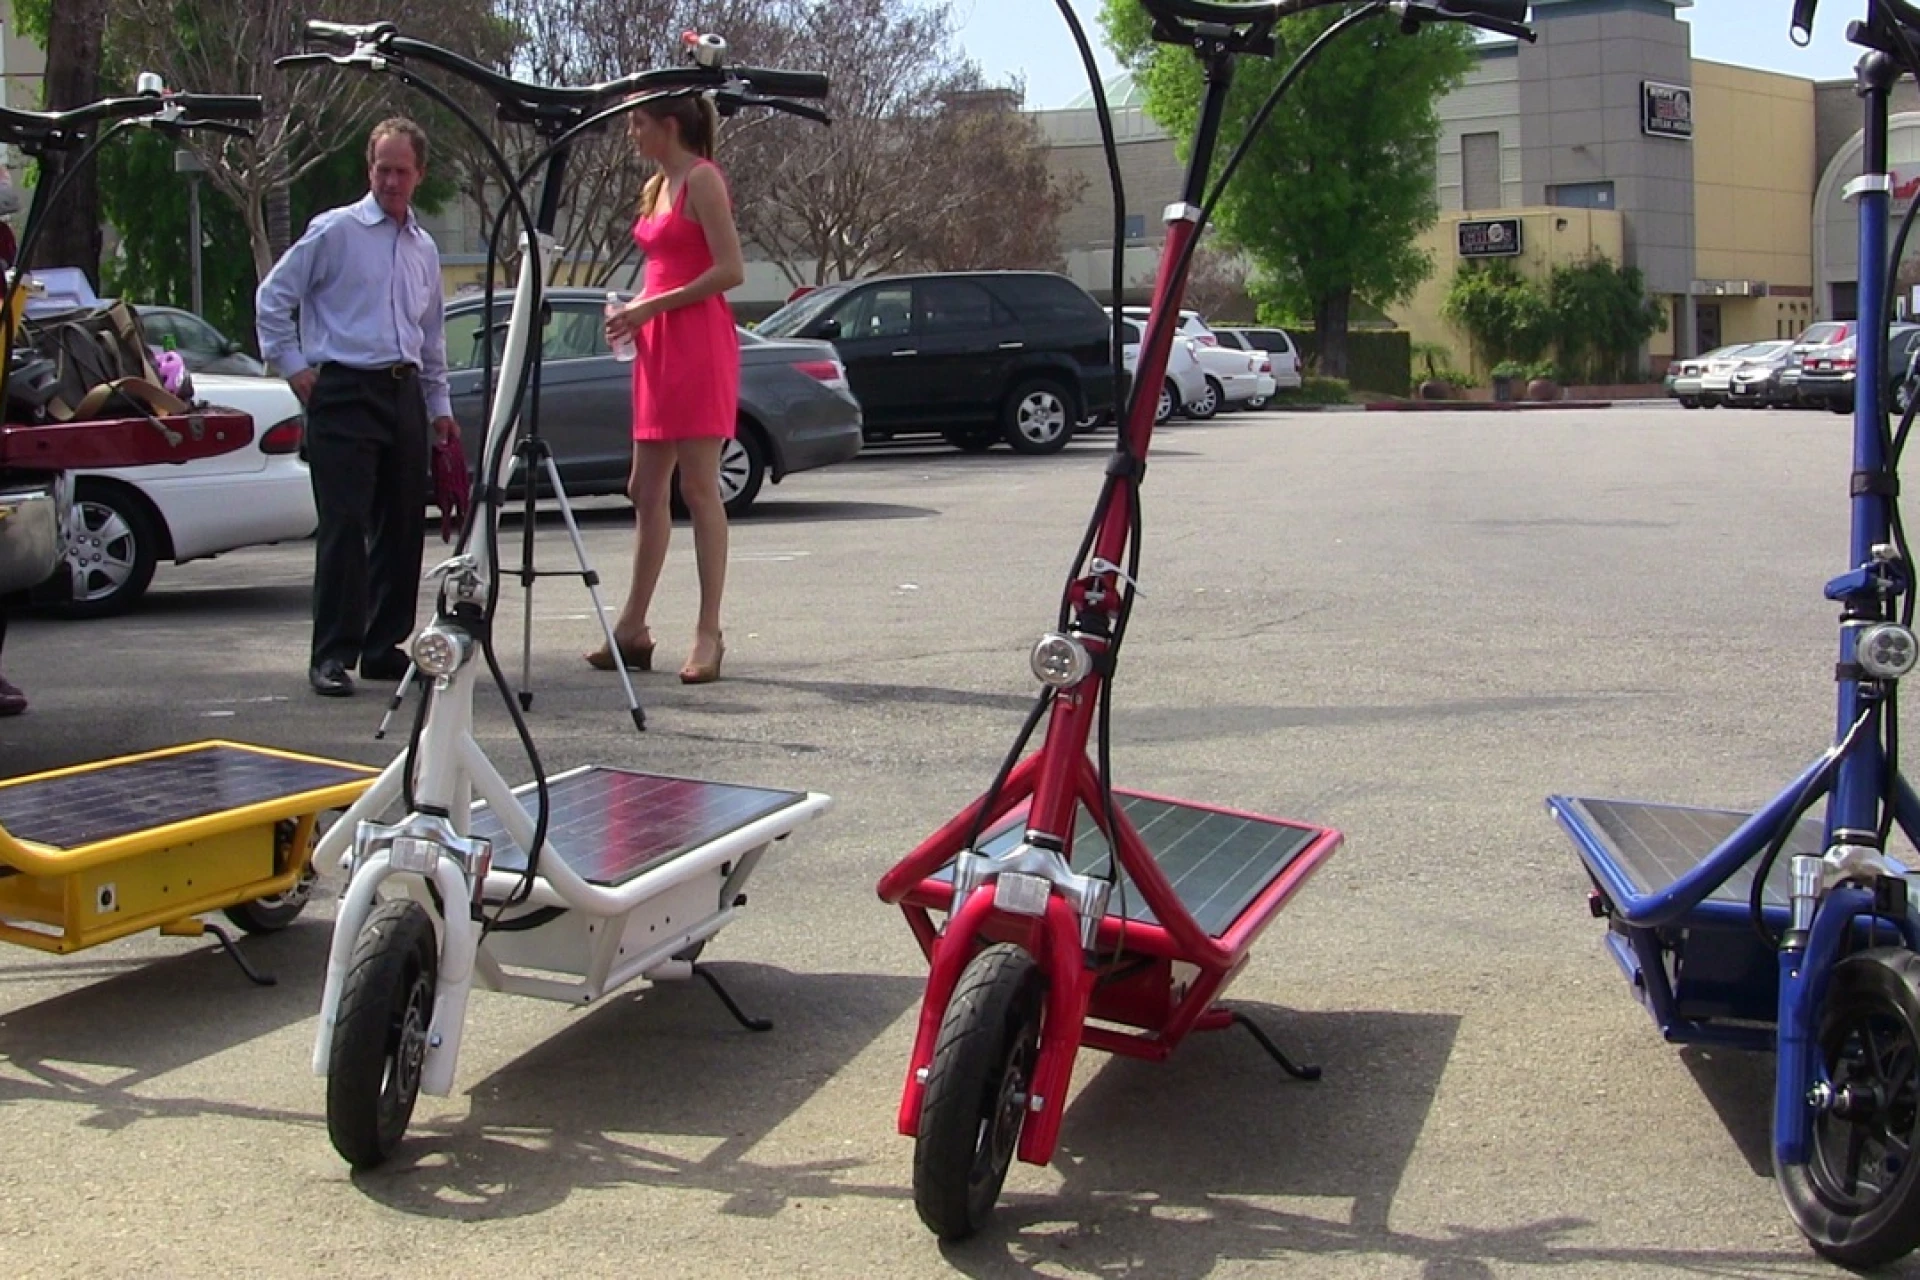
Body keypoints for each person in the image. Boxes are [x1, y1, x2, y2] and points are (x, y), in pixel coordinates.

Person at [256, 117, 458, 697]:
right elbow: (274, 298)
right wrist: (294, 366)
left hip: (402, 391)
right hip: (343, 390)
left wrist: (438, 404)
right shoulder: (335, 231)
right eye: (381, 169)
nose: (390, 181)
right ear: (369, 170)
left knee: (401, 525)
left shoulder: (423, 248)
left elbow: (432, 332)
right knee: (344, 525)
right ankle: (332, 653)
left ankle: (382, 644)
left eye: (401, 171)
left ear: (419, 174)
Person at [591, 92, 744, 685]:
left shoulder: (702, 179)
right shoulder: (657, 186)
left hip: (698, 340)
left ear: (670, 124)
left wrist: (651, 305)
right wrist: (632, 309)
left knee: (699, 486)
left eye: (639, 123)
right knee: (643, 485)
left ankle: (709, 631)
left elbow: (730, 269)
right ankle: (632, 627)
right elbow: (662, 265)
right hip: (655, 342)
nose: (633, 134)